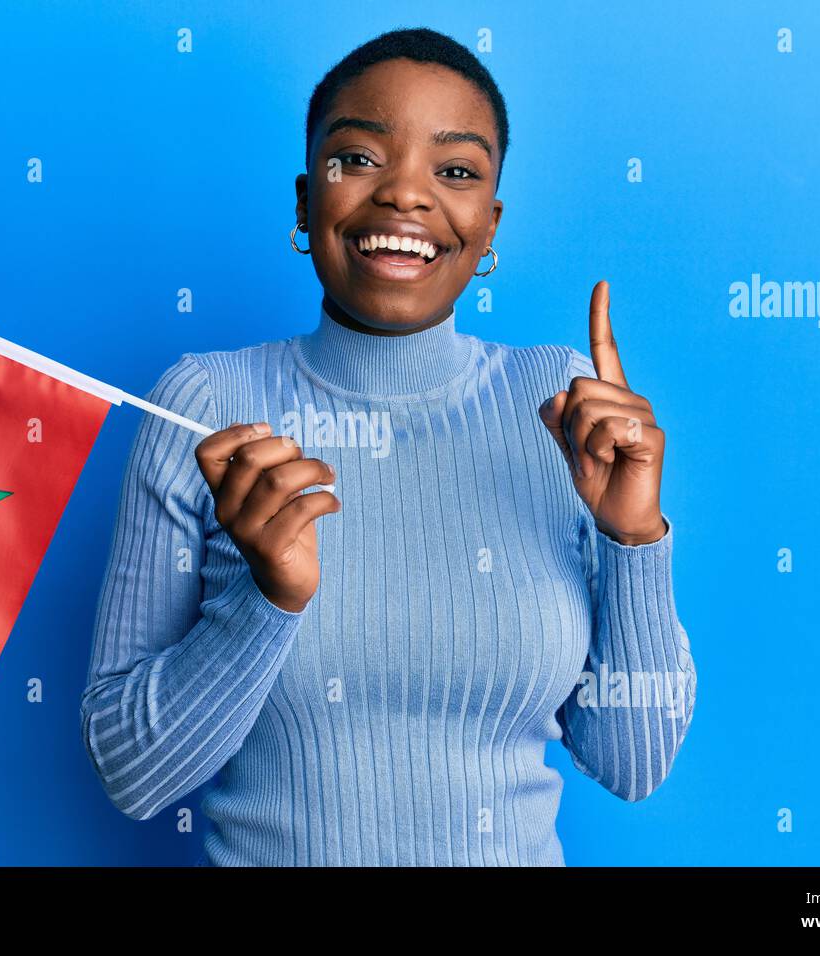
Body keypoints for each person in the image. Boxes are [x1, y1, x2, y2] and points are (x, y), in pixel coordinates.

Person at [80, 26, 696, 866]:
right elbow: (132, 773)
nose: (405, 195)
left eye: (456, 171)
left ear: (488, 227)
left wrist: (634, 540)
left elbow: (633, 762)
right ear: (306, 202)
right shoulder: (207, 405)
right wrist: (267, 600)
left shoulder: (559, 406)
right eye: (360, 158)